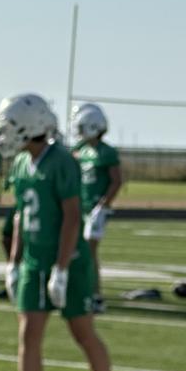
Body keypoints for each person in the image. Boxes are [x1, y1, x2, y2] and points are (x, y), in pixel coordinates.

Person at [0, 93, 124, 371]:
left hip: (68, 262)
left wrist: (61, 269)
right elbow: (20, 217)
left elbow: (71, 217)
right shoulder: (22, 163)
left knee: (83, 333)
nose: (5, 134)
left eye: (10, 126)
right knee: (28, 336)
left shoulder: (61, 161)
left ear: (28, 126)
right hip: (34, 262)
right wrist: (14, 263)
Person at [72, 103, 123, 313]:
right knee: (80, 251)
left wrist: (103, 205)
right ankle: (84, 291)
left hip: (96, 209)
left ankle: (95, 295)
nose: (79, 131)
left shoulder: (106, 152)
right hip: (82, 207)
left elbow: (116, 181)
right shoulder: (81, 149)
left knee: (89, 252)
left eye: (82, 127)